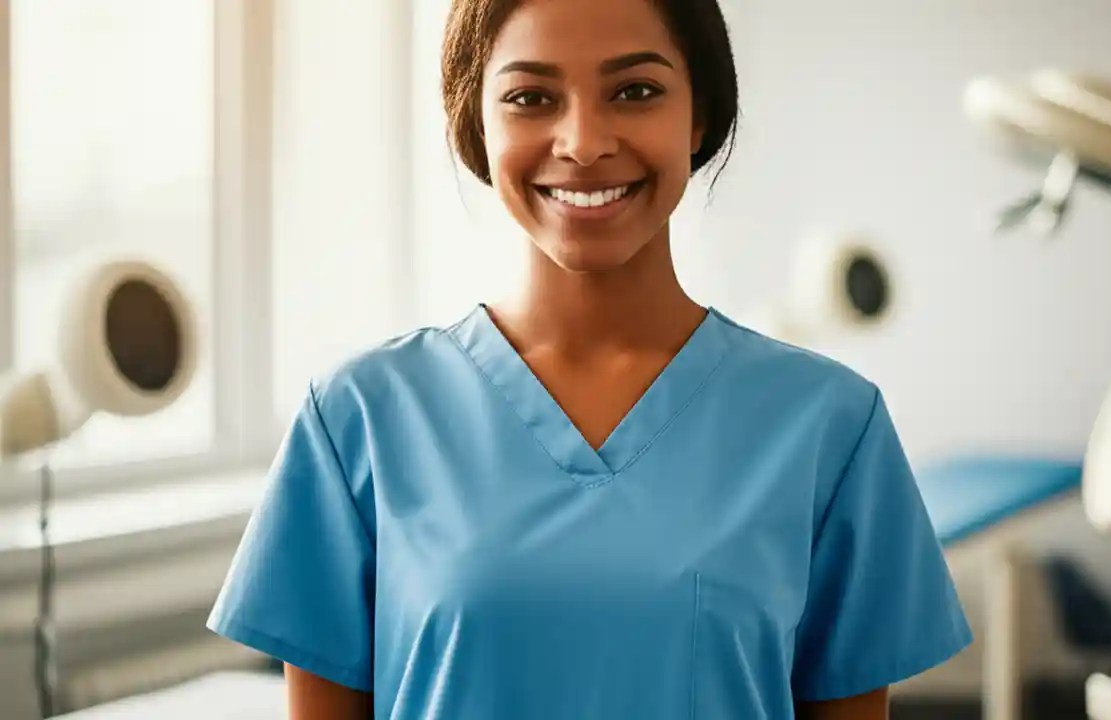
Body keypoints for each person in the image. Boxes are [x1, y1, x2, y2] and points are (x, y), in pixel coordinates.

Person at [206, 0, 972, 717]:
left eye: (635, 91)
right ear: (475, 118)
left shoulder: (829, 426)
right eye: (531, 98)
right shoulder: (358, 419)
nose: (583, 142)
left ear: (699, 112)